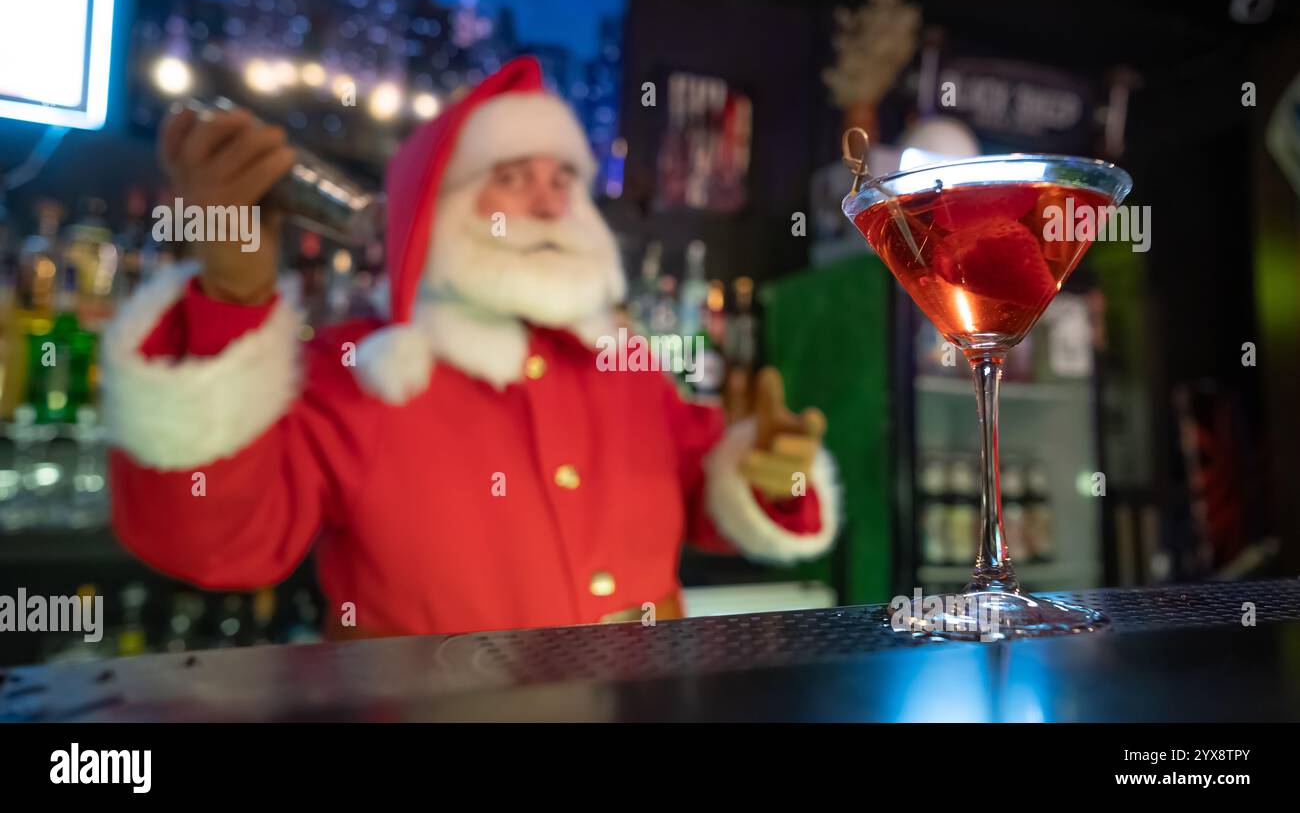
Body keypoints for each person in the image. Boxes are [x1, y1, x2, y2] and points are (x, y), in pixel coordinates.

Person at [102, 57, 838, 638]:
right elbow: (213, 542)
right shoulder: (358, 369)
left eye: (564, 180)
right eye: (513, 178)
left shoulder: (624, 361)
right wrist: (230, 302)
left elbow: (708, 502)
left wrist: (773, 476)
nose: (552, 203)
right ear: (436, 213)